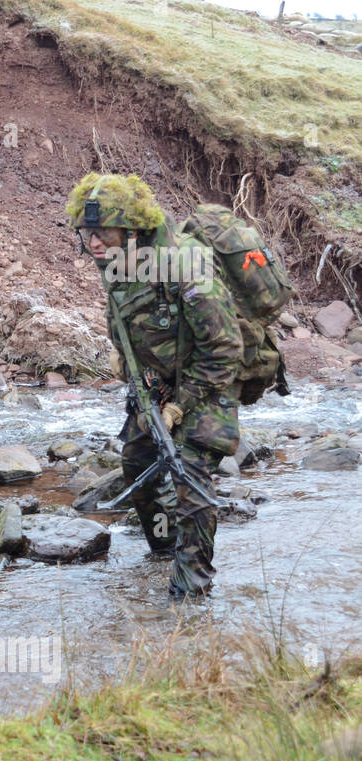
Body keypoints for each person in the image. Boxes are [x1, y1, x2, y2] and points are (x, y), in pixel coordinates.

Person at [66, 173, 244, 598]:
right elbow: (132, 321)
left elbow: (224, 348)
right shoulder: (118, 259)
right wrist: (130, 364)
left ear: (132, 229)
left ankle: (191, 590)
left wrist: (181, 405)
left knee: (191, 479)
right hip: (156, 384)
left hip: (207, 380)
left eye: (102, 231)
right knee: (138, 462)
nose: (92, 241)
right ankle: (163, 551)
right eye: (85, 232)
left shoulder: (185, 265)